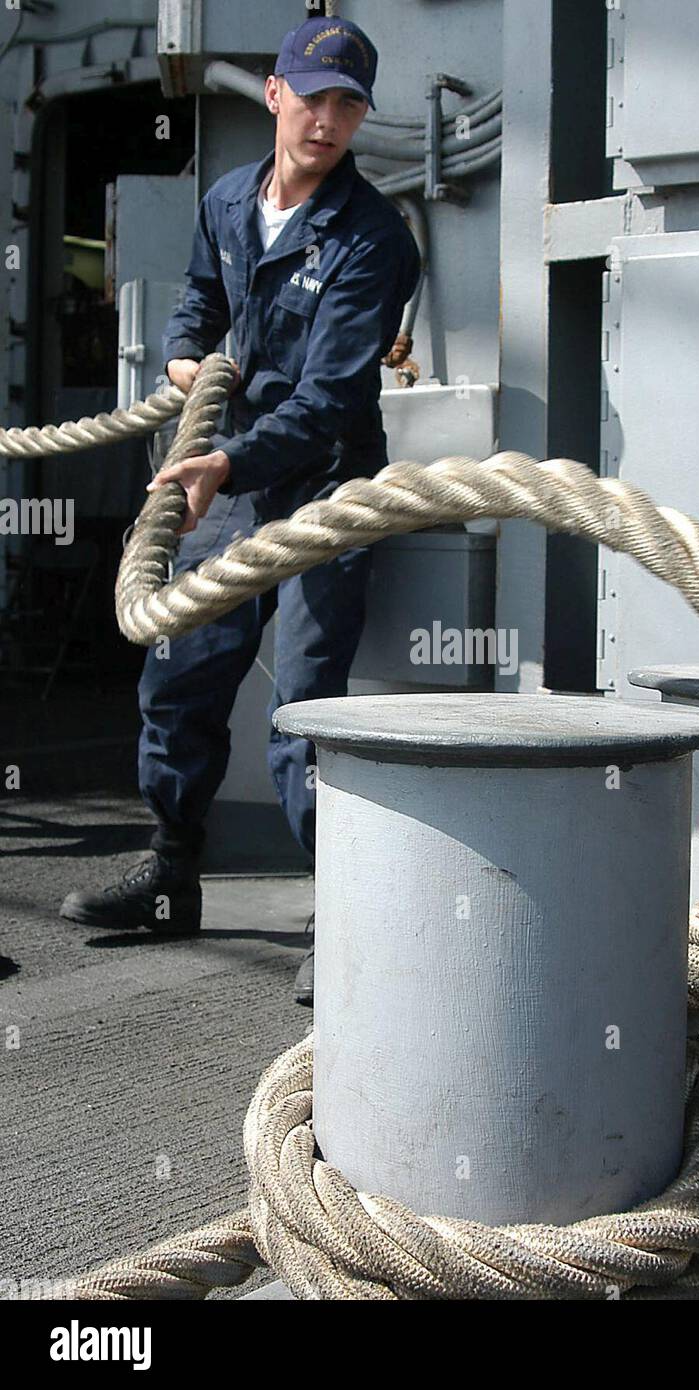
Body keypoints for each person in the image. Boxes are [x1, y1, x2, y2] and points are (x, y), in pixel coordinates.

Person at [60, 16, 421, 1006]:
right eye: (313, 97)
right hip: (228, 479)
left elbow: (334, 397)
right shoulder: (226, 200)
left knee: (304, 711)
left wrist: (227, 455)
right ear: (274, 94)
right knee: (178, 680)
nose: (328, 120)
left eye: (349, 104)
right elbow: (198, 301)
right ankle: (171, 873)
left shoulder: (372, 237)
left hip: (320, 485)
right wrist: (187, 354)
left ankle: (337, 917)